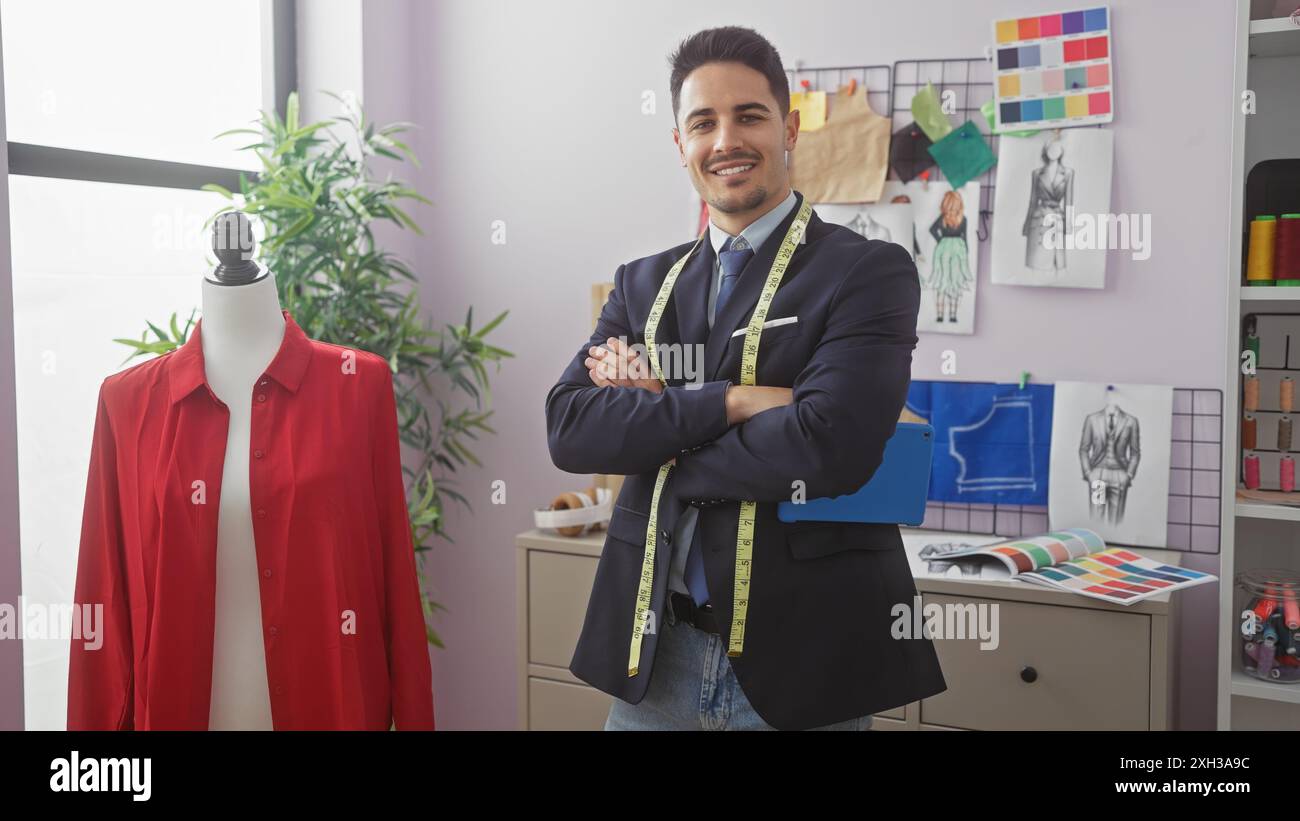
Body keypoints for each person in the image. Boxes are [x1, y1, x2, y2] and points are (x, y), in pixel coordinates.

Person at [544, 25, 946, 731]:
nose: (726, 139)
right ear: (681, 145)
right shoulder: (642, 285)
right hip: (654, 665)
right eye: (704, 122)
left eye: (749, 116)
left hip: (804, 669)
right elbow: (571, 429)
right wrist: (734, 400)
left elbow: (831, 445)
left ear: (789, 128)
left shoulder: (867, 272)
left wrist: (658, 433)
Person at [926, 190, 973, 323]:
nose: (952, 209)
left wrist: (965, 252)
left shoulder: (963, 219)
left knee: (954, 281)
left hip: (957, 250)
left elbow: (964, 236)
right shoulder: (942, 218)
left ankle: (952, 315)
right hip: (946, 250)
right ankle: (940, 315)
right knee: (943, 279)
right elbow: (932, 230)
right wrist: (941, 240)